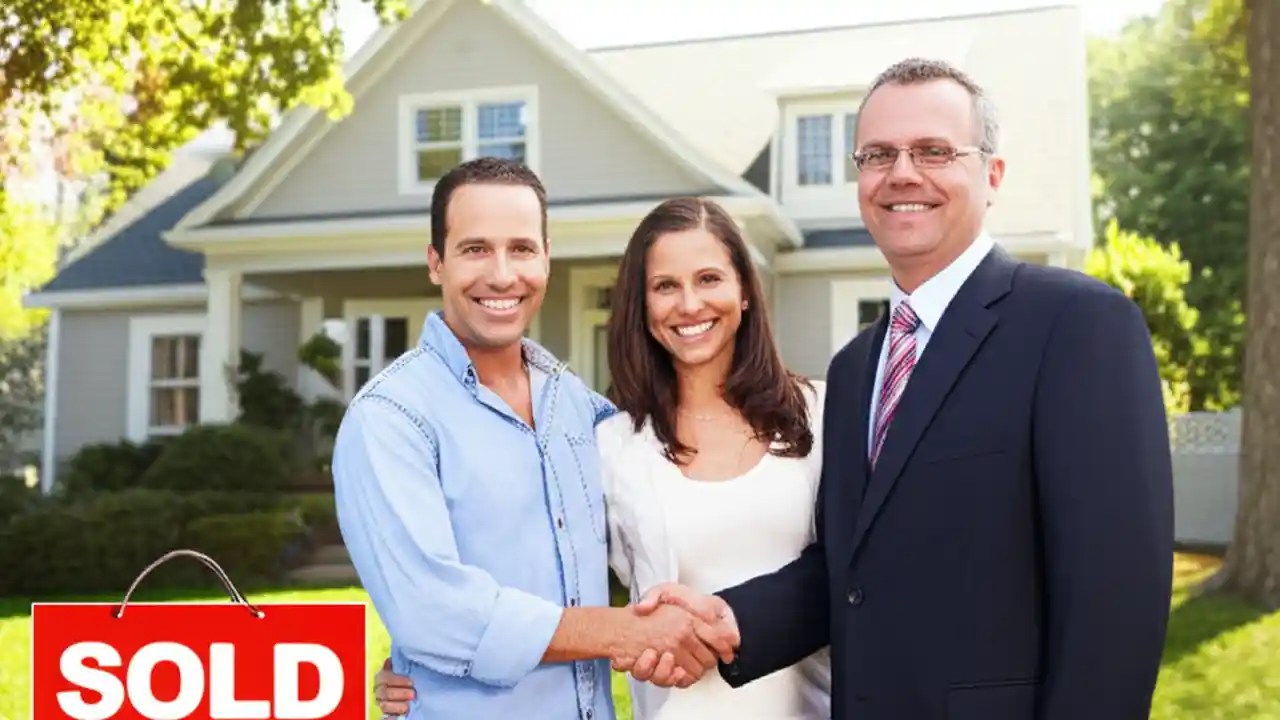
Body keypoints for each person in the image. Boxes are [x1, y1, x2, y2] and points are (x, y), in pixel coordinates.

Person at [626, 58, 1176, 719]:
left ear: (992, 174)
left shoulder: (1076, 327)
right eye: (878, 155)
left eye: (934, 151)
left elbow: (1115, 603)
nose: (902, 173)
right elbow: (853, 570)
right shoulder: (857, 368)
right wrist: (732, 618)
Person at [373, 196, 833, 719]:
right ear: (642, 306)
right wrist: (423, 666)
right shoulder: (613, 443)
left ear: (745, 290)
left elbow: (859, 578)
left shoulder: (823, 417)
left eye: (708, 279)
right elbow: (537, 575)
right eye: (665, 286)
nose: (688, 304)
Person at [332, 157, 736, 720]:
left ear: (546, 258)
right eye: (475, 249)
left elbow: (662, 527)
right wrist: (617, 633)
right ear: (435, 263)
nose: (502, 275)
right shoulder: (391, 418)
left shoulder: (582, 410)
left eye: (522, 248)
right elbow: (434, 614)